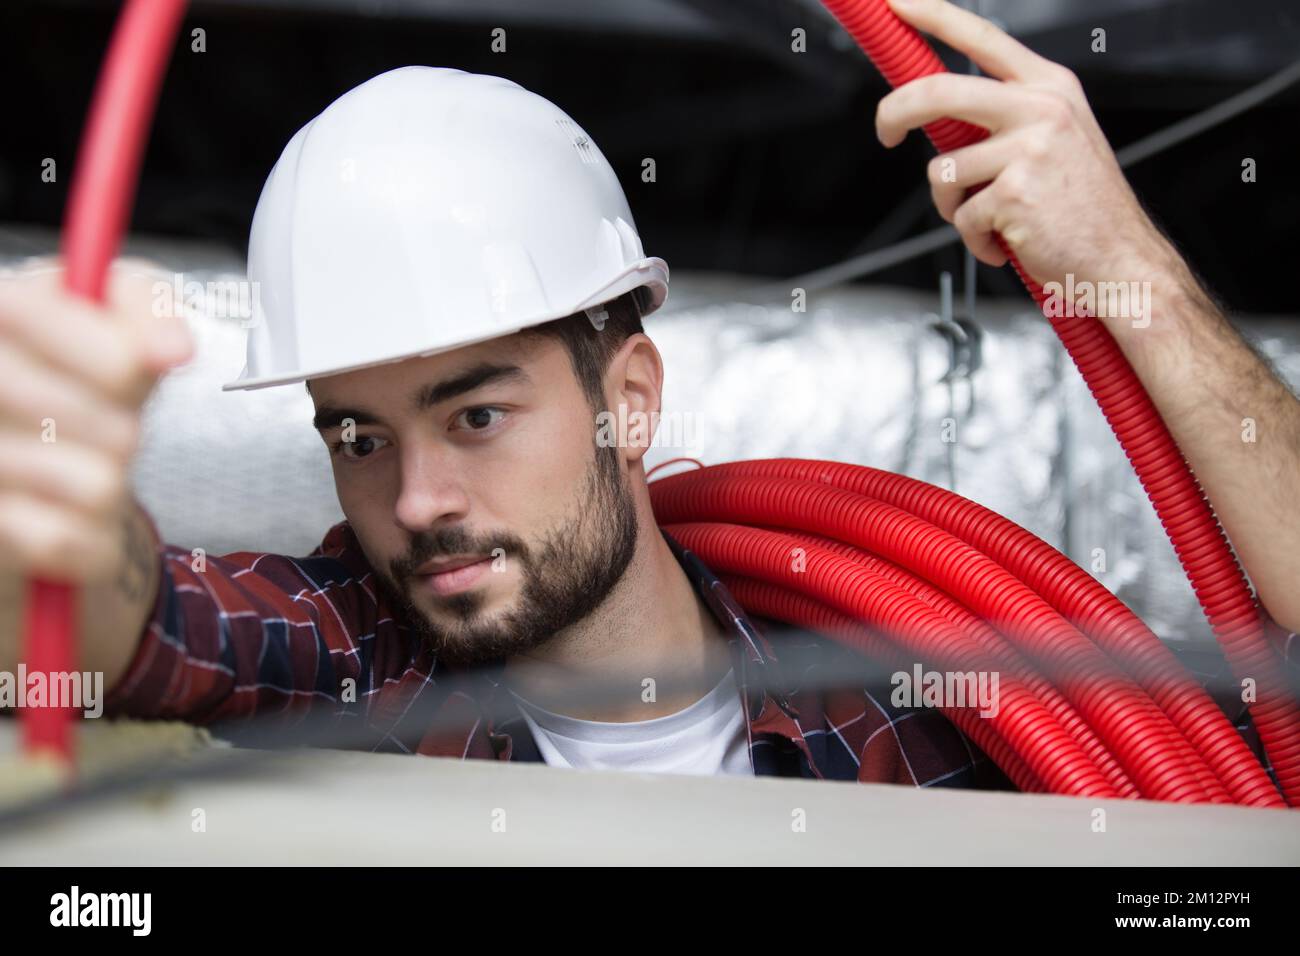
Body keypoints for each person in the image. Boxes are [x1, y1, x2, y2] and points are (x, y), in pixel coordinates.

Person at [0, 0, 1295, 784]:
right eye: (356, 436)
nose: (418, 500)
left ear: (629, 396)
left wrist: (1129, 266)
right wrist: (37, 505)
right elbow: (113, 620)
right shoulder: (350, 659)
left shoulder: (914, 702)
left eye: (476, 415)